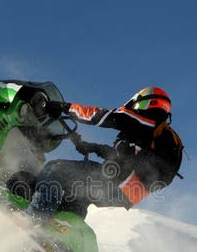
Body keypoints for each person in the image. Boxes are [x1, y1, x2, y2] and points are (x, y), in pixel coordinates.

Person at [26, 87, 183, 219]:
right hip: (125, 196)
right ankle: (64, 233)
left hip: (116, 182)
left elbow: (99, 116)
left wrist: (63, 107)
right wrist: (92, 147)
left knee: (55, 169)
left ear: (143, 101)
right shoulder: (152, 135)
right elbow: (122, 157)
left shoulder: (143, 120)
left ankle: (36, 217)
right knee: (77, 195)